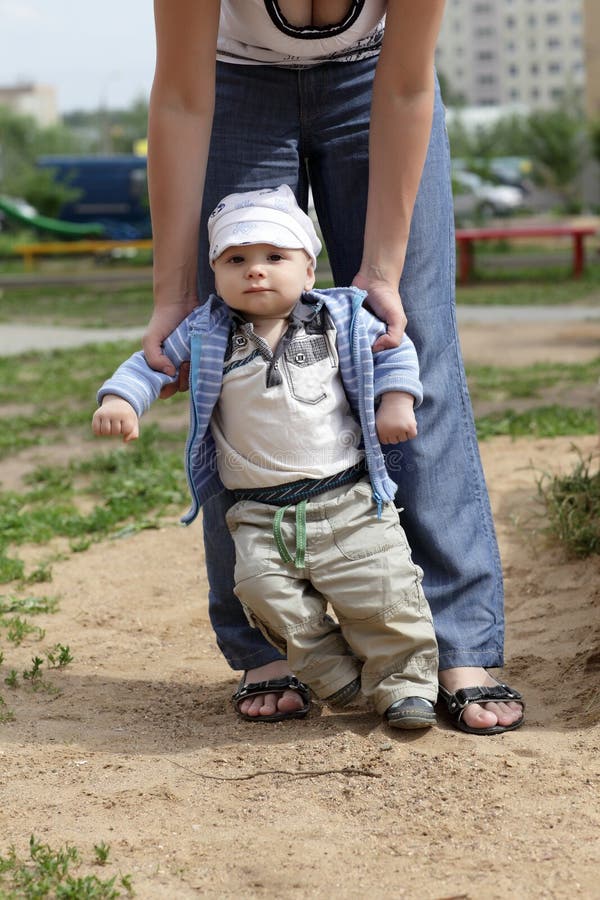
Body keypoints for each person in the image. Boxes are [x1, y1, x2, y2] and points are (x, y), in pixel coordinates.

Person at [142, 0, 524, 734]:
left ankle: (455, 644)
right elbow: (182, 98)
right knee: (231, 351)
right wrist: (173, 295)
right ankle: (269, 645)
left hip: (377, 80)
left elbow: (406, 86)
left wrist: (380, 271)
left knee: (409, 348)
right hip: (232, 90)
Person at [93, 185, 440, 730]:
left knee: (383, 594)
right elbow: (149, 364)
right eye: (236, 260)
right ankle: (334, 675)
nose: (255, 270)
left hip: (347, 499)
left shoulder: (340, 317)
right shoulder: (206, 330)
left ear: (308, 270)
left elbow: (394, 351)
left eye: (275, 256)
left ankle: (405, 687)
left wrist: (395, 400)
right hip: (258, 511)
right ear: (215, 273)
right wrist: (121, 399)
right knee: (261, 591)